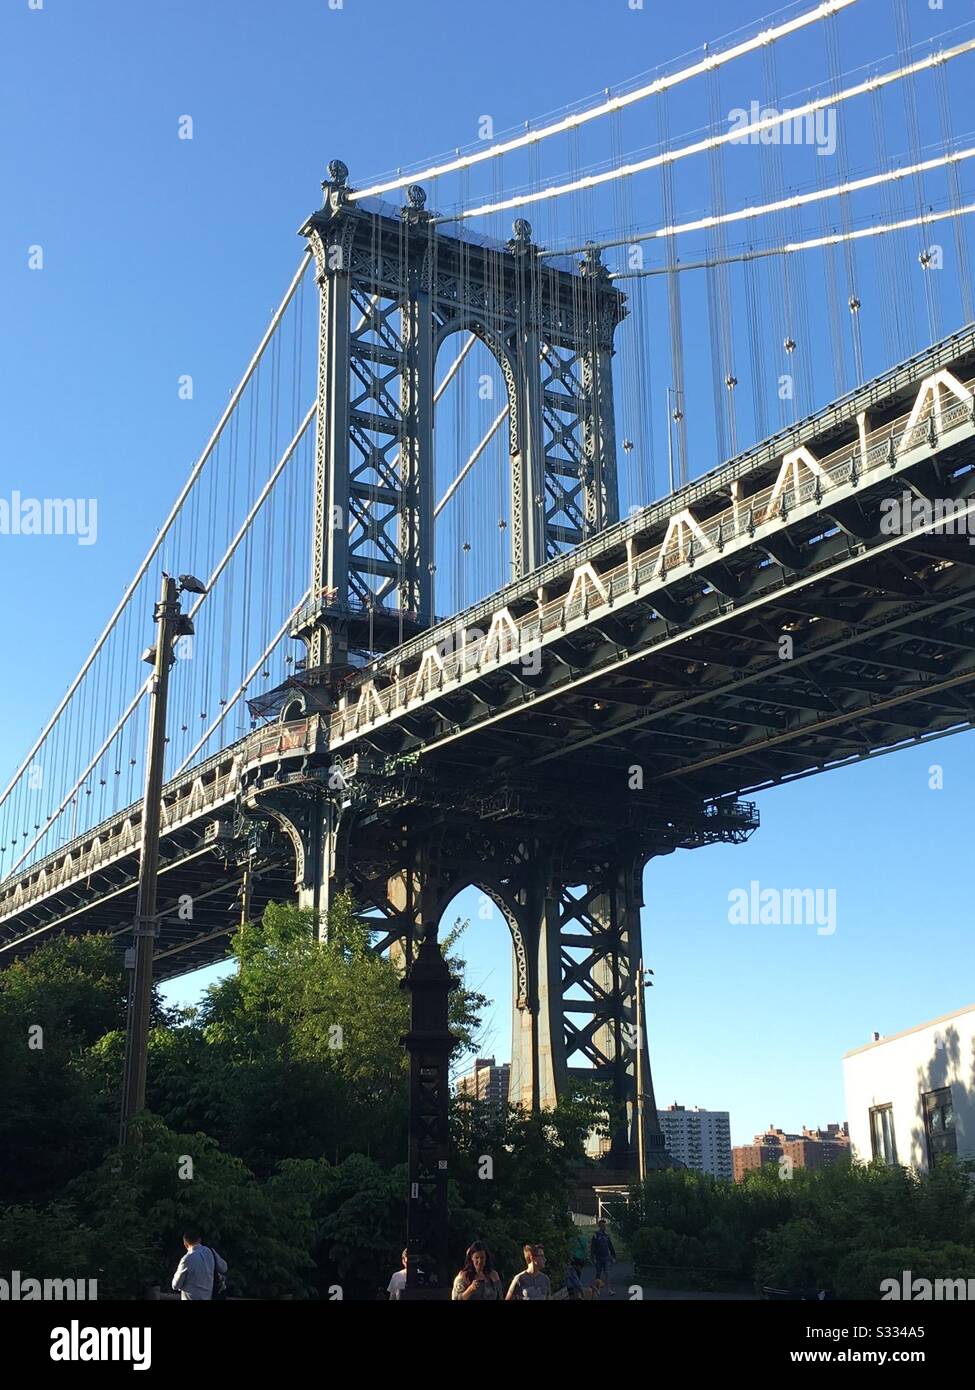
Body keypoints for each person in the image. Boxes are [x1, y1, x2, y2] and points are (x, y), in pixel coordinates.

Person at [171, 1232, 227, 1301]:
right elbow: (224, 1268)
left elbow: (175, 1285)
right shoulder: (211, 1252)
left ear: (185, 1245)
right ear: (199, 1240)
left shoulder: (186, 1259)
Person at [589, 1220, 617, 1295]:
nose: (604, 1227)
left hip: (606, 1258)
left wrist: (613, 1256)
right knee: (598, 1274)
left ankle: (609, 1290)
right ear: (599, 1226)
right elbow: (593, 1247)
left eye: (605, 1225)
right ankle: (597, 1290)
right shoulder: (596, 1235)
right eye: (602, 1225)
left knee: (607, 1273)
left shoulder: (606, 1235)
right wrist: (592, 1257)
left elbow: (610, 1246)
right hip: (598, 1258)